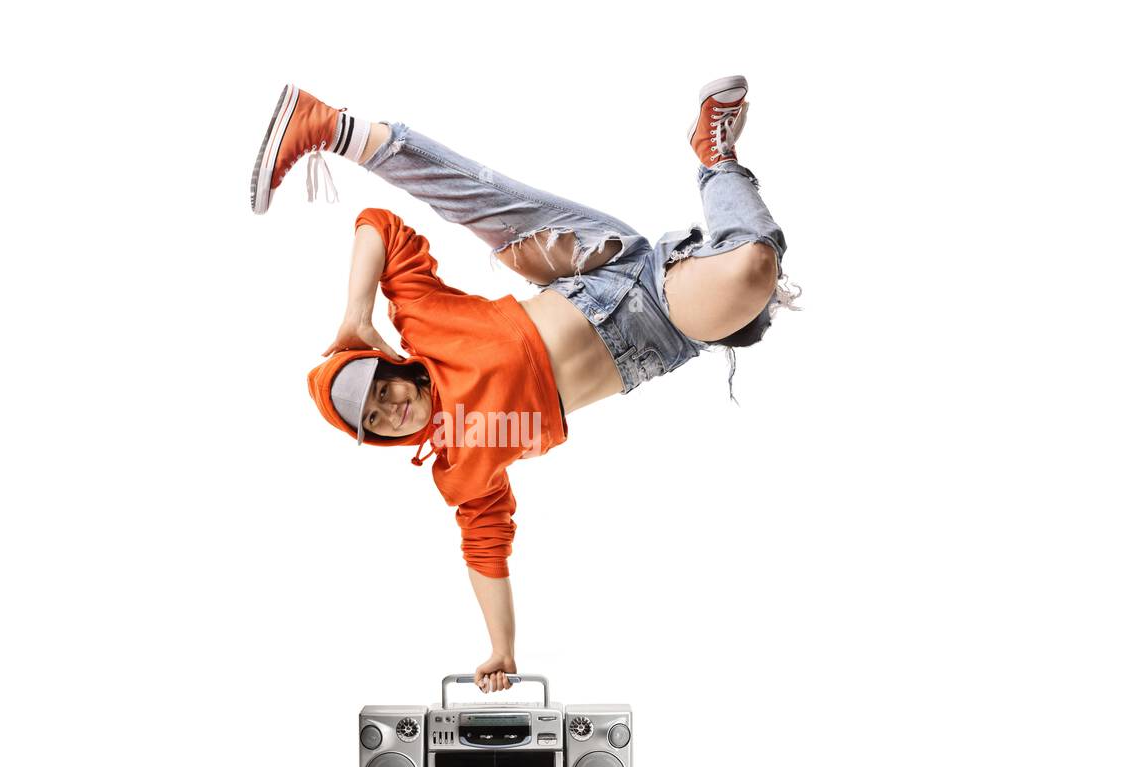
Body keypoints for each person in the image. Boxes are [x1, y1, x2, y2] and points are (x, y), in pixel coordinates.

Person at [249, 76, 802, 695]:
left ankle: (329, 124)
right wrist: (501, 651)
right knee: (754, 272)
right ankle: (717, 165)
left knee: (478, 198)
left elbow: (380, 226)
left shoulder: (424, 327)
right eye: (375, 419)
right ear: (374, 439)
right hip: (657, 327)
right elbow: (486, 549)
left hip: (591, 260)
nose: (392, 409)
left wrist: (355, 316)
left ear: (393, 368)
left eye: (382, 390)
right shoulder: (460, 464)